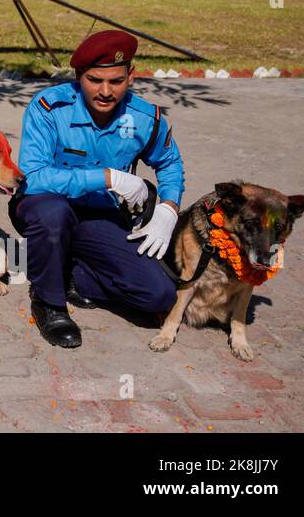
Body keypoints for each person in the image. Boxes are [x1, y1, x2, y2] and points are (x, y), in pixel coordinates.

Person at [14, 29, 183, 349]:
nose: (106, 91)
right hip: (44, 207)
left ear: (131, 76)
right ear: (79, 77)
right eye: (95, 80)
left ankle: (73, 272)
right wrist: (109, 178)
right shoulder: (49, 108)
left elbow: (170, 164)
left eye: (116, 81)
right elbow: (34, 177)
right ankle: (49, 301)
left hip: (99, 215)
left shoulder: (145, 118)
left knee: (158, 295)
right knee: (54, 214)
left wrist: (168, 208)